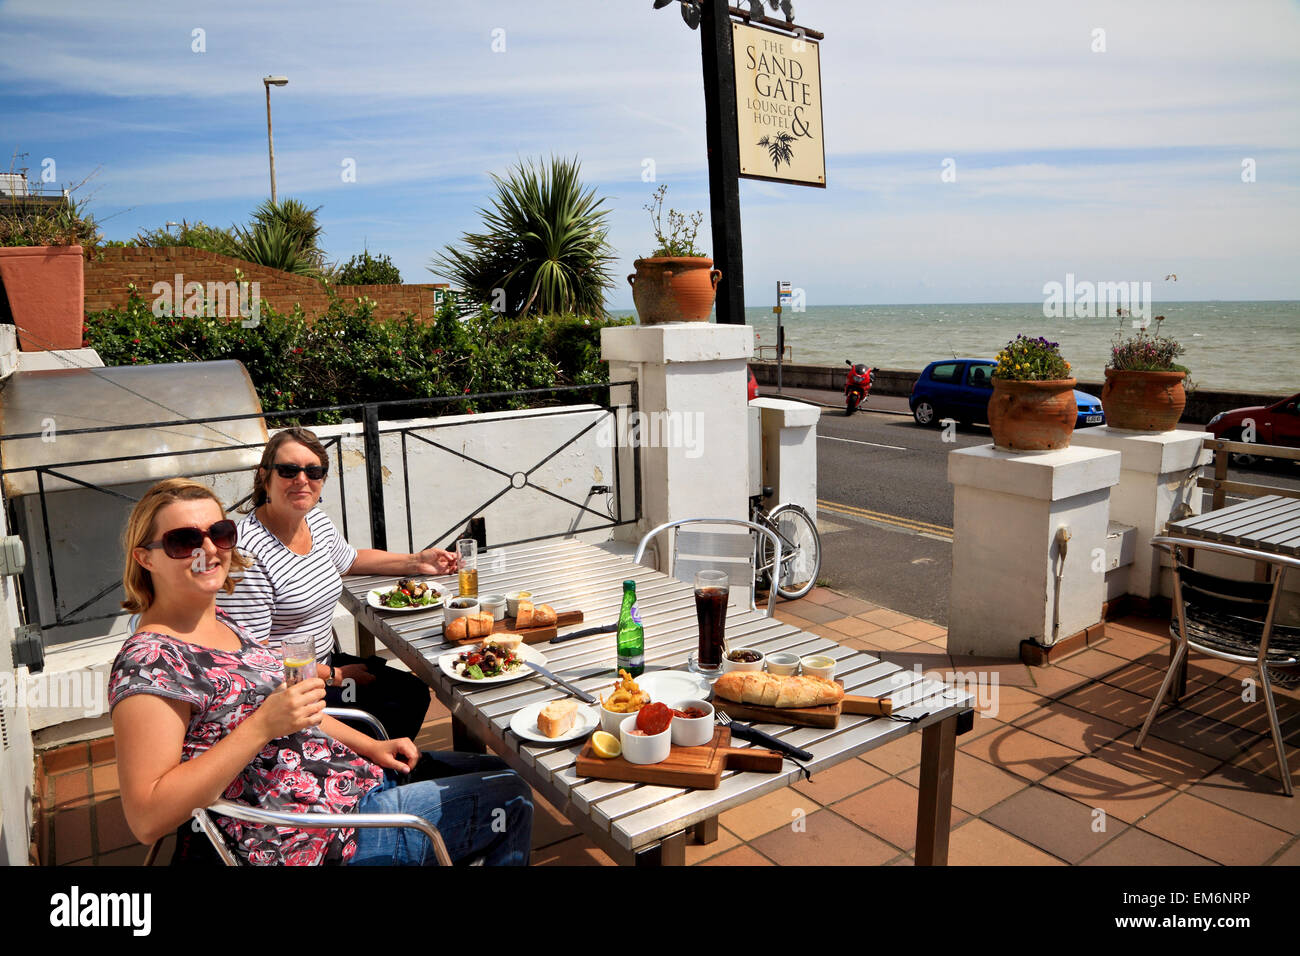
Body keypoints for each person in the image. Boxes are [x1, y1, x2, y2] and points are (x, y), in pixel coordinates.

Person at [108, 478, 532, 865]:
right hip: (321, 838)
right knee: (512, 798)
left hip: (351, 785)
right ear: (145, 558)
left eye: (220, 533)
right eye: (184, 541)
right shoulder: (151, 661)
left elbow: (299, 713)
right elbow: (148, 817)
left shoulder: (218, 621)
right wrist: (260, 727)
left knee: (503, 771)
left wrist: (370, 746)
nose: (209, 549)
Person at [217, 427, 457, 740]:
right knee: (401, 700)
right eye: (289, 470)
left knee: (410, 692)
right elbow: (253, 658)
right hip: (290, 692)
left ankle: (382, 770)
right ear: (265, 477)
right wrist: (335, 676)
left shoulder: (315, 521)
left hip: (327, 667)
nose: (302, 479)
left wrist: (416, 562)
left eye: (314, 471)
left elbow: (351, 559)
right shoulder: (246, 553)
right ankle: (371, 775)